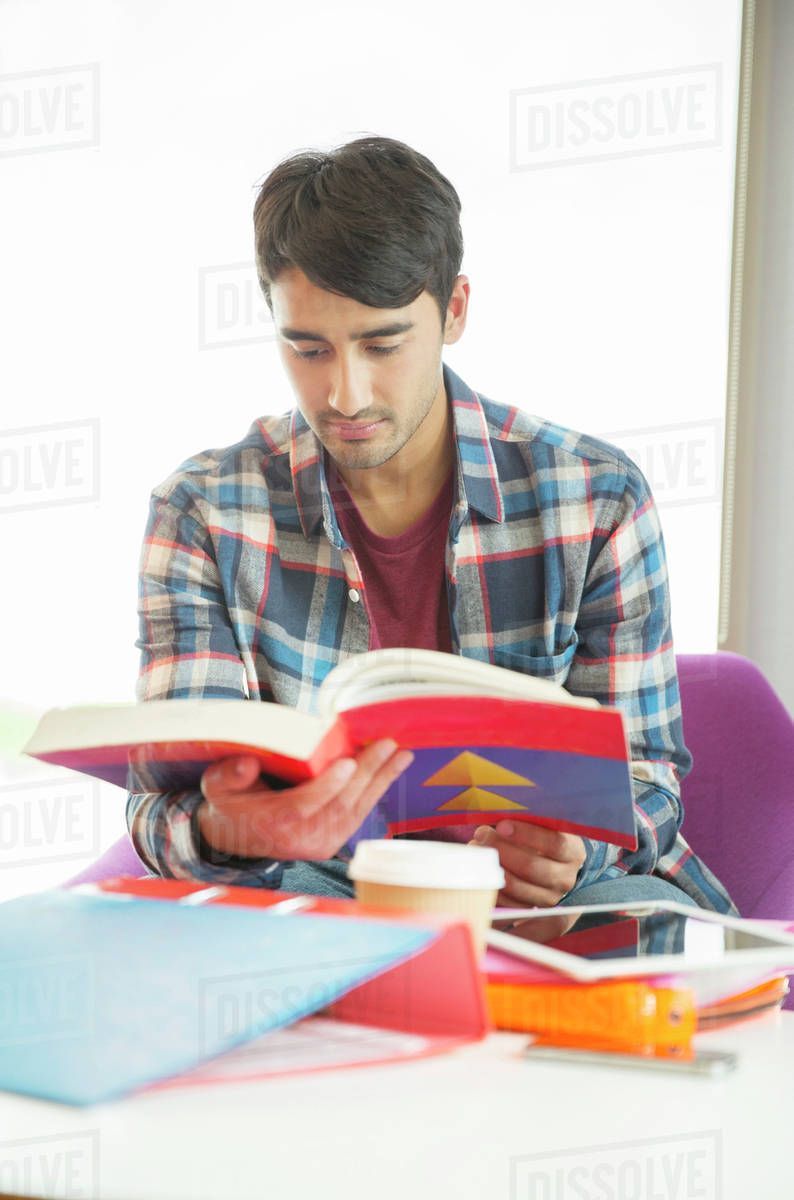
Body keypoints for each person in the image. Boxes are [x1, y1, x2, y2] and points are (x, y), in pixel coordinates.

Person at [127, 135, 737, 917]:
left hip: (552, 904)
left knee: (639, 926)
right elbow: (159, 810)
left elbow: (647, 777)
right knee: (298, 919)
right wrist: (230, 827)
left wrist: (578, 850)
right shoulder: (204, 513)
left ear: (453, 311)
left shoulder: (596, 499)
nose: (345, 395)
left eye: (382, 344)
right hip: (324, 889)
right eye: (307, 348)